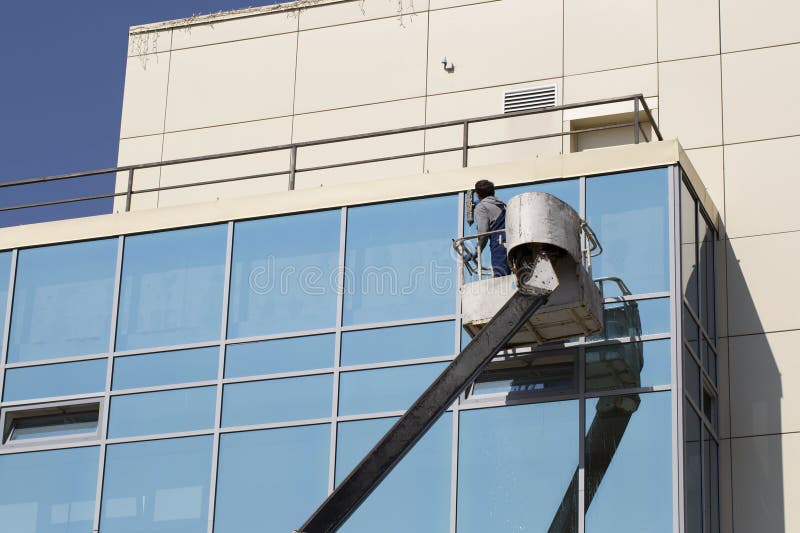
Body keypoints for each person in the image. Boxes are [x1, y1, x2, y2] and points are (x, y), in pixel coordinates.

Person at [474, 179, 511, 276]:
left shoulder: (481, 207)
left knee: (500, 277)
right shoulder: (503, 205)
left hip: (499, 243)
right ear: (493, 192)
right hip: (512, 241)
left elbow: (483, 232)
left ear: (478, 194)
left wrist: (477, 250)